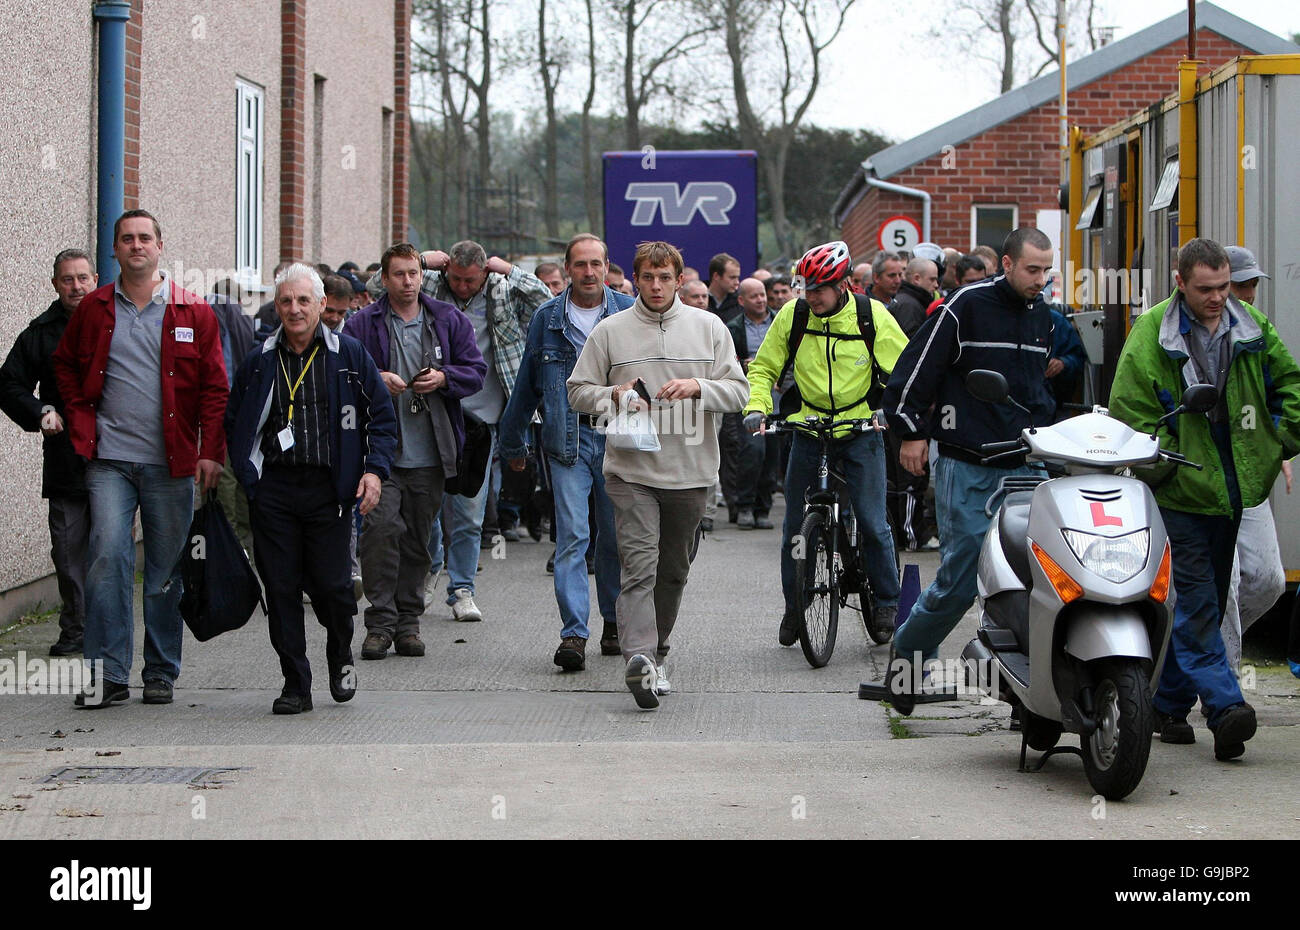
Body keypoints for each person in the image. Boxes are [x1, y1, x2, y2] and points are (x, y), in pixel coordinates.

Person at [1109, 237, 1300, 761]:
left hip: (1236, 487)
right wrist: (1167, 469)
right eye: (1206, 290)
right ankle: (1225, 707)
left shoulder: (1252, 328)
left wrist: (1279, 440)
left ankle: (1167, 704)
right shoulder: (1150, 335)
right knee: (1197, 600)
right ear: (1180, 283)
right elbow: (1131, 413)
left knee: (1211, 596)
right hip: (1183, 490)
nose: (1219, 298)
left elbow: (1289, 386)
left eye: (1224, 287)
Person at [53, 210, 228, 709]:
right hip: (108, 459)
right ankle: (108, 674)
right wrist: (79, 413)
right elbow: (64, 364)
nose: (136, 246)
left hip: (169, 464)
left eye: (144, 238)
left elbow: (216, 389)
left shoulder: (192, 311)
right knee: (107, 557)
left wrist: (210, 453)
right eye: (126, 239)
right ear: (115, 250)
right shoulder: (94, 309)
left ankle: (159, 671)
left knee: (165, 570)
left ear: (159, 246)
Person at [881, 227, 1058, 715]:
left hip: (1028, 464)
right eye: (1032, 269)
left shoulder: (1044, 315)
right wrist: (913, 433)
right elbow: (914, 371)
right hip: (968, 465)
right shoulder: (965, 306)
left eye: (1047, 270)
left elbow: (1038, 395)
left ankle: (1033, 692)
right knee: (961, 582)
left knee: (1042, 579)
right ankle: (909, 658)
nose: (1040, 280)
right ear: (1006, 263)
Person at [567, 240, 748, 708]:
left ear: (680, 280)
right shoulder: (611, 331)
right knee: (638, 567)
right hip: (630, 471)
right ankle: (640, 658)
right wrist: (615, 393)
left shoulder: (709, 328)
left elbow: (739, 392)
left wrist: (699, 386)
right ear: (635, 277)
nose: (655, 285)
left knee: (673, 571)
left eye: (664, 277)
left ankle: (658, 652)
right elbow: (577, 392)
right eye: (647, 276)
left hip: (690, 472)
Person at [226, 263, 396, 714]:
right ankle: (295, 683)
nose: (295, 309)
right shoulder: (259, 360)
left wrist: (373, 472)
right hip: (275, 491)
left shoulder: (349, 355)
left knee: (333, 589)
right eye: (286, 301)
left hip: (330, 492)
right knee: (280, 589)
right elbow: (236, 421)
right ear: (276, 307)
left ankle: (340, 655)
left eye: (304, 301)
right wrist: (250, 477)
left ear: (322, 305)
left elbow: (381, 419)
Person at [368, 241, 550, 621]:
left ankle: (462, 587)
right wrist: (418, 261)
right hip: (433, 415)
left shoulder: (502, 291)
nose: (463, 287)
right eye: (457, 279)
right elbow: (374, 286)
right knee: (427, 508)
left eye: (470, 281)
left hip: (481, 421)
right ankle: (431, 569)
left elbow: (545, 299)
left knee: (469, 509)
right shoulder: (429, 285)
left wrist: (510, 269)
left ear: (484, 273)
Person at [743, 241, 907, 647]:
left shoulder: (871, 316)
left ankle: (887, 599)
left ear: (844, 283)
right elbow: (763, 367)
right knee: (794, 530)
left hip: (860, 431)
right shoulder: (794, 315)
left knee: (871, 520)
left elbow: (902, 372)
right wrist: (757, 406)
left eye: (821, 287)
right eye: (806, 287)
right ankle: (793, 606)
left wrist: (889, 411)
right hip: (809, 429)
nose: (811, 295)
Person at [345, 244, 486, 659]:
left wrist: (443, 378)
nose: (407, 281)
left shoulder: (447, 319)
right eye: (398, 274)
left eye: (413, 273)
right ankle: (380, 622)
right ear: (384, 279)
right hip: (380, 456)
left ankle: (408, 621)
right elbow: (341, 374)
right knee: (380, 532)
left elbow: (475, 371)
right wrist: (375, 378)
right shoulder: (362, 323)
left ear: (421, 277)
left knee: (418, 542)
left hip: (431, 453)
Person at [500, 234, 633, 670]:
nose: (589, 272)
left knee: (613, 539)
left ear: (608, 267)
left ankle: (613, 621)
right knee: (573, 539)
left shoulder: (628, 315)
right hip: (566, 442)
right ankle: (574, 634)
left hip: (617, 440)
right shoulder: (547, 318)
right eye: (580, 265)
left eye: (596, 264)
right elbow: (527, 382)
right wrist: (513, 441)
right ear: (568, 268)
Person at [0, 249, 96, 656]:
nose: (76, 286)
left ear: (95, 280)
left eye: (82, 278)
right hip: (66, 460)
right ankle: (76, 629)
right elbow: (8, 384)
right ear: (54, 284)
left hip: (118, 456)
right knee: (69, 550)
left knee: (110, 551)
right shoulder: (39, 332)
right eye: (67, 280)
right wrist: (41, 410)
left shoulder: (116, 320)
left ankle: (109, 628)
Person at [724, 277, 780, 529]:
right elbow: (726, 362)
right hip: (748, 398)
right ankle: (744, 505)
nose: (761, 300)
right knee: (752, 451)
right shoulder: (732, 328)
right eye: (754, 296)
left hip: (778, 398)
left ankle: (763, 508)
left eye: (762, 295)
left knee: (771, 455)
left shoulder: (780, 321)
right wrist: (742, 366)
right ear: (741, 300)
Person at [890, 257, 938, 338]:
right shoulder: (908, 306)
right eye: (932, 279)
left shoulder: (909, 301)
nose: (936, 285)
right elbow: (913, 343)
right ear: (917, 279)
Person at [706, 252, 742, 324]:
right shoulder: (699, 299)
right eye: (732, 277)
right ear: (716, 276)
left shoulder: (740, 302)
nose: (737, 282)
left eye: (738, 277)